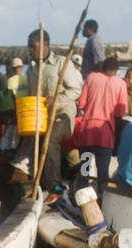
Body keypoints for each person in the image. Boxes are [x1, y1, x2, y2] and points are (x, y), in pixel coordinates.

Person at [14, 28, 82, 194]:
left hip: (63, 115)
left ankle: (55, 188)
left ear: (45, 45)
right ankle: (39, 183)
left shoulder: (61, 63)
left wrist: (55, 100)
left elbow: (76, 90)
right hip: (41, 118)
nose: (30, 50)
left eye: (33, 46)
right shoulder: (31, 70)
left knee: (49, 139)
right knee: (32, 142)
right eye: (29, 47)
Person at [74, 56, 128, 184]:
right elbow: (120, 113)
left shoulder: (91, 77)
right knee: (103, 174)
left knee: (84, 170)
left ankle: (81, 195)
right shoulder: (120, 84)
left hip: (87, 133)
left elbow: (81, 104)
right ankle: (101, 198)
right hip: (105, 135)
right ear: (115, 71)